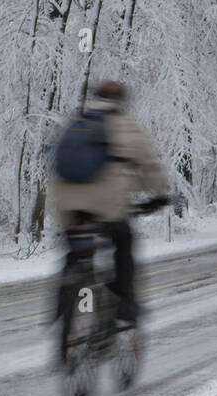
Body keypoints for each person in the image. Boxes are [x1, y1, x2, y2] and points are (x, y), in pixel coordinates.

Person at [50, 81, 172, 366]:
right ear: (121, 101)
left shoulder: (76, 123)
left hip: (67, 204)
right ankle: (125, 306)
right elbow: (150, 167)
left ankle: (66, 306)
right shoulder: (126, 126)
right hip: (107, 207)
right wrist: (159, 195)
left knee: (77, 251)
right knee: (123, 244)